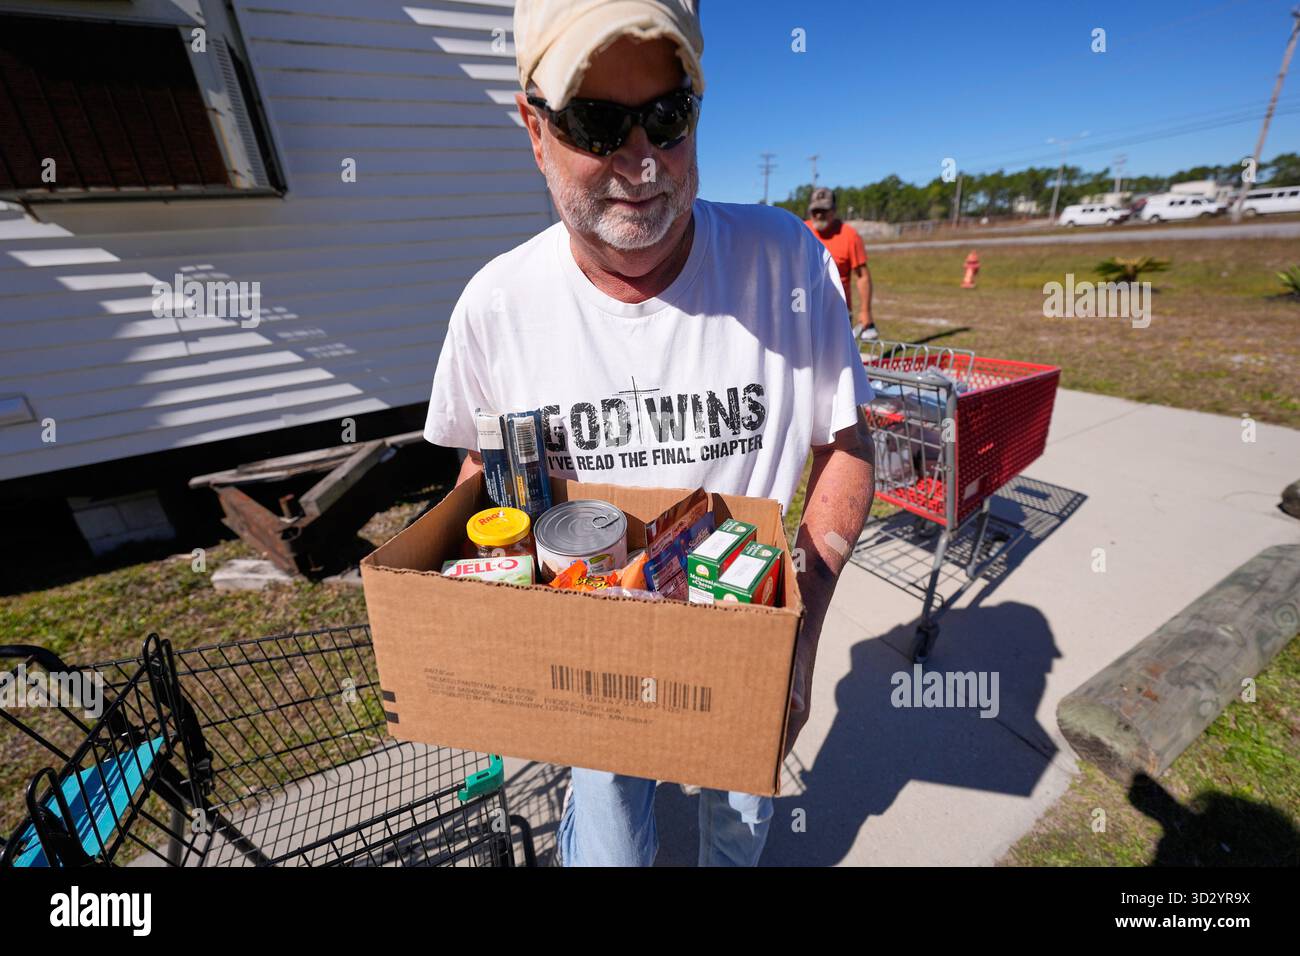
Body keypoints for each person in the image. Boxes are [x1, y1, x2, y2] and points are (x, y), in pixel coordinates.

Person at [422, 0, 875, 867]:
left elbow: (847, 448)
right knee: (612, 852)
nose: (641, 162)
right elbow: (481, 475)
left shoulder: (786, 261)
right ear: (534, 127)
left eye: (667, 118)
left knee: (736, 843)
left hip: (745, 653)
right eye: (597, 122)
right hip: (593, 670)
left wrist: (802, 632)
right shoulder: (495, 306)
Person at [804, 187, 878, 341]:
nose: (818, 215)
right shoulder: (801, 231)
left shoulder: (849, 236)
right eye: (815, 210)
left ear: (834, 210)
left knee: (835, 363)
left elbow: (862, 276)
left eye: (823, 210)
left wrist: (865, 311)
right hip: (803, 310)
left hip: (837, 313)